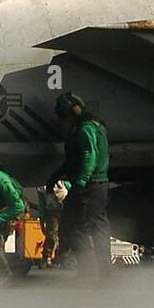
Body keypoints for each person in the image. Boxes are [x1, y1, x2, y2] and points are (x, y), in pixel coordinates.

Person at [51, 93, 111, 282]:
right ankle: (99, 272)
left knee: (78, 226)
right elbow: (74, 159)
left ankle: (91, 271)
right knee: (93, 226)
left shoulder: (85, 128)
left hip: (90, 185)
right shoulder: (89, 125)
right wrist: (57, 175)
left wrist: (81, 182)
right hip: (95, 184)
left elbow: (89, 155)